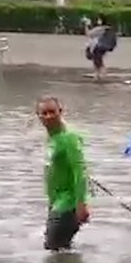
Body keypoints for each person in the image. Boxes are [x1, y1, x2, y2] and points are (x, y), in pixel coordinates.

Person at [36, 96, 90, 251]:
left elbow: (80, 172)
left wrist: (81, 204)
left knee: (53, 250)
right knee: (59, 252)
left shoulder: (69, 138)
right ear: (38, 116)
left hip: (68, 203)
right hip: (56, 202)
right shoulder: (52, 137)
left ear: (60, 112)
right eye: (44, 113)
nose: (48, 116)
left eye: (52, 112)